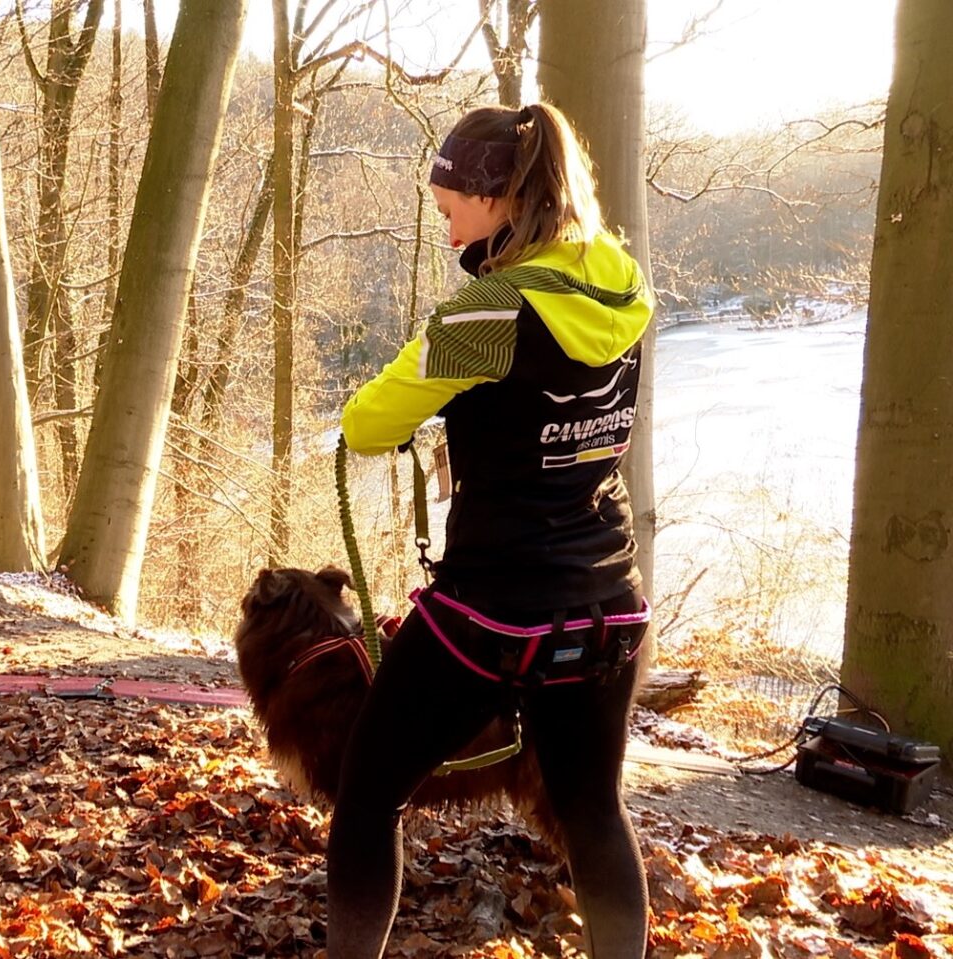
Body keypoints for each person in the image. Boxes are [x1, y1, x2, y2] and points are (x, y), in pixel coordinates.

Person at [331, 103, 654, 958]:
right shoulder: (621, 283)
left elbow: (367, 424)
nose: (443, 229)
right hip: (608, 603)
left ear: (501, 197)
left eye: (450, 210)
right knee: (592, 812)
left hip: (495, 612)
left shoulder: (491, 314)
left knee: (367, 795)